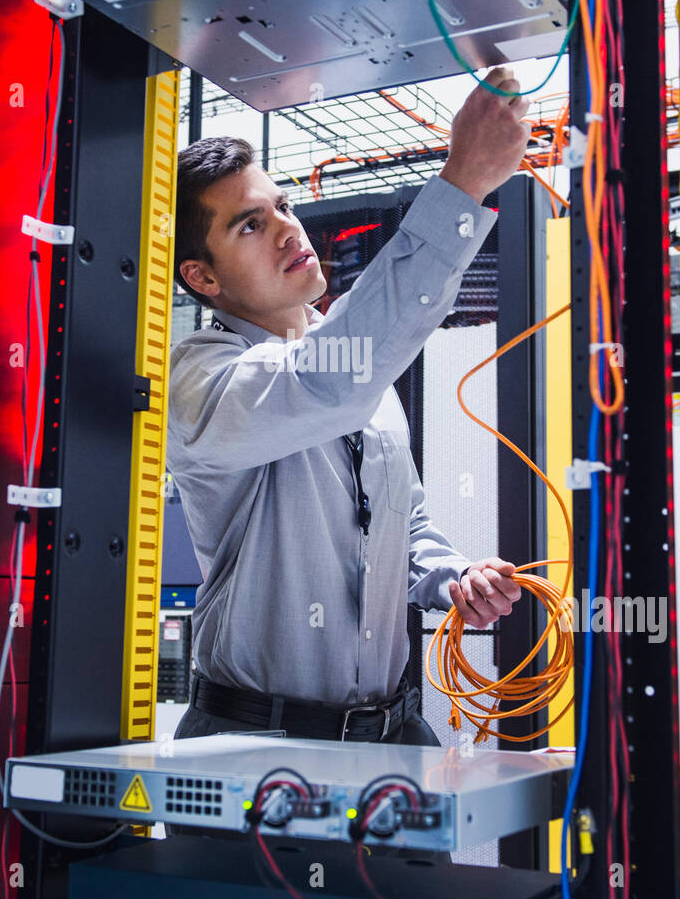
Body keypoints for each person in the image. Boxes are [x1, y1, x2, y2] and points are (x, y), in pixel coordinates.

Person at [167, 69, 528, 748]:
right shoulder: (201, 379)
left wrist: (452, 577)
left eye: (282, 206)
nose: (286, 230)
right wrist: (462, 184)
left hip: (391, 735)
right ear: (204, 278)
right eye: (251, 224)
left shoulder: (353, 366)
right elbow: (323, 385)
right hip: (255, 744)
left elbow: (402, 521)